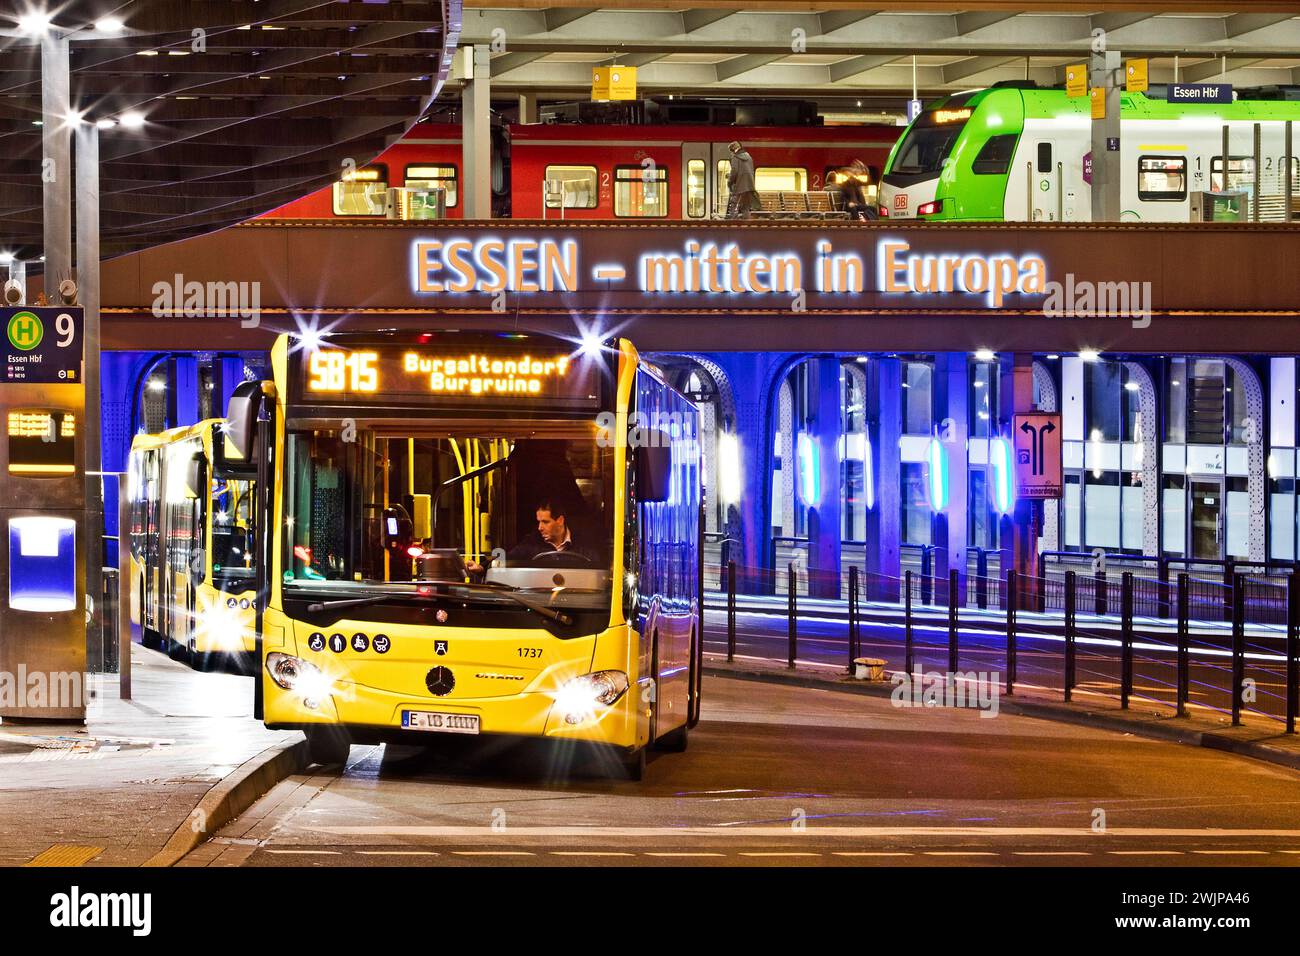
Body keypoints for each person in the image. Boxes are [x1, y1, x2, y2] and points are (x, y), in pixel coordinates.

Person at [506, 498, 600, 564]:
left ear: (560, 521)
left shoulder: (584, 546)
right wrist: (494, 558)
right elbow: (505, 561)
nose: (540, 528)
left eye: (545, 522)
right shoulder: (530, 543)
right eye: (539, 522)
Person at [726, 141, 759, 219]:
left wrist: (729, 182)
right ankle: (746, 226)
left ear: (733, 150)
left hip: (739, 184)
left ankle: (732, 225)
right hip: (749, 185)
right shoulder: (749, 157)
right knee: (746, 206)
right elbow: (751, 170)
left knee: (733, 205)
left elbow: (734, 171)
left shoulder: (735, 157)